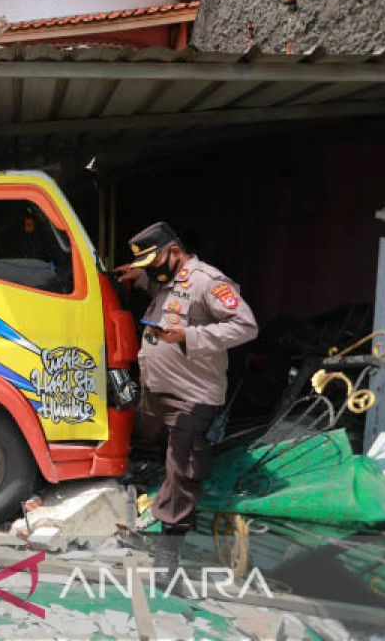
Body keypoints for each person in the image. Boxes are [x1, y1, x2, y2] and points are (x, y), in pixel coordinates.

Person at [117, 221, 258, 574]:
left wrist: (188, 337)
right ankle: (146, 500)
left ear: (174, 252)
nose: (152, 270)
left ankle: (169, 551)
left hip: (192, 395)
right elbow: (170, 301)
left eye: (153, 263)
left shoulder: (209, 281)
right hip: (157, 388)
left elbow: (246, 326)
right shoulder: (166, 279)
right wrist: (143, 280)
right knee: (150, 448)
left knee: (183, 467)